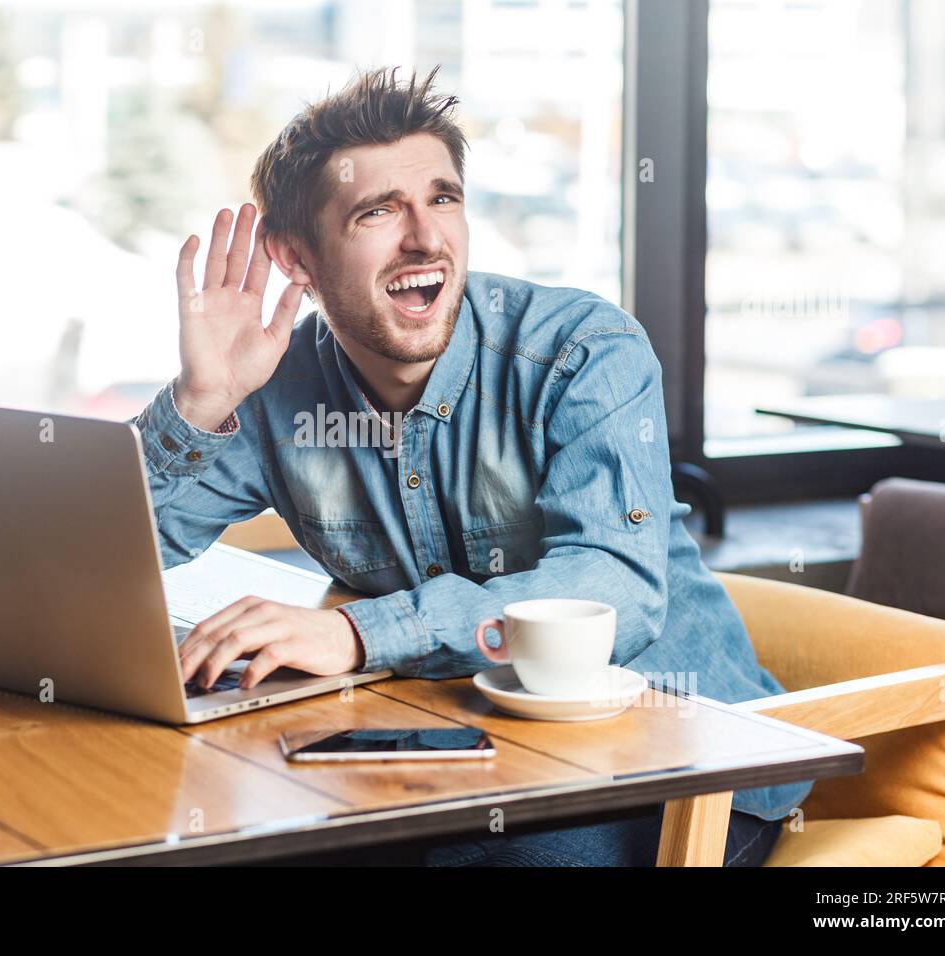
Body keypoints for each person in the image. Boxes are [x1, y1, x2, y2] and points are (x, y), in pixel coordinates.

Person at [133, 66, 809, 866]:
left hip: (682, 768)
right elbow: (113, 555)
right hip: (470, 756)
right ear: (297, 257)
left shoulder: (583, 352)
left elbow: (614, 588)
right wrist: (200, 402)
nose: (426, 238)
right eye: (379, 211)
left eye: (443, 199)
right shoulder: (276, 388)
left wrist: (358, 632)